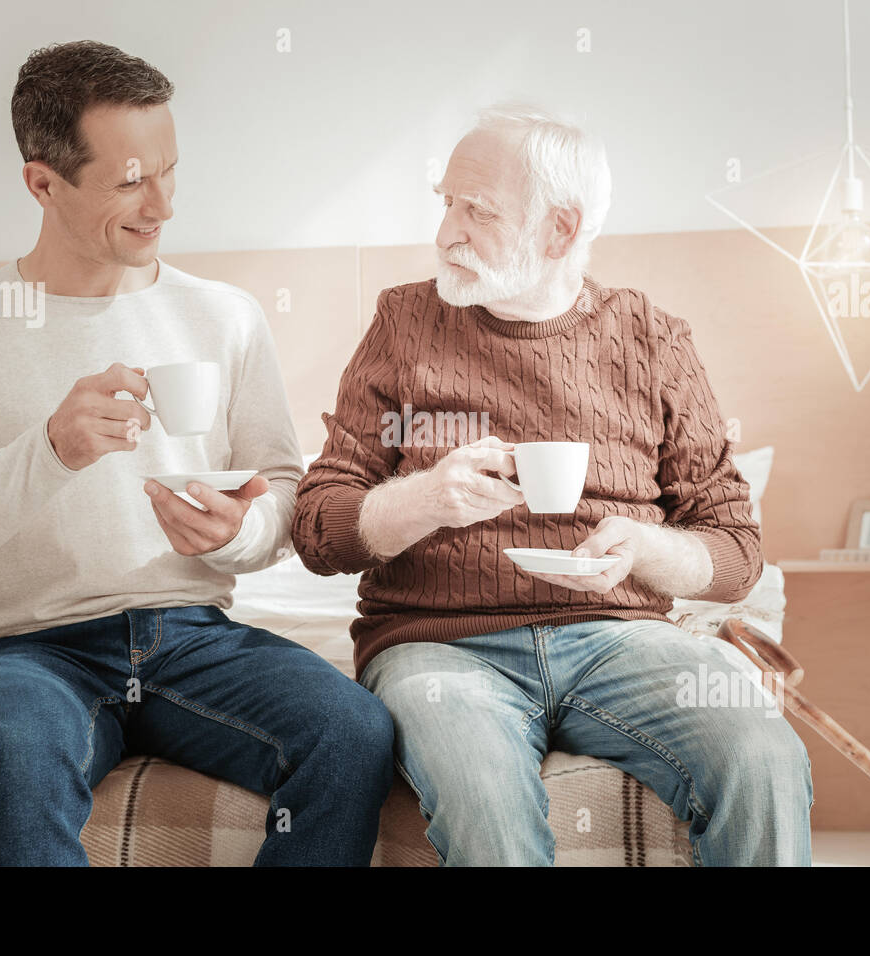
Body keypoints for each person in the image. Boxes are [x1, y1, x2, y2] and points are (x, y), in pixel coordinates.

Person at [0, 40, 392, 866]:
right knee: (16, 757)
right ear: (44, 182)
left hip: (196, 636)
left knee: (356, 731)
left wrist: (237, 536)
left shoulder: (226, 317)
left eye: (170, 170)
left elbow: (283, 493)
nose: (164, 206)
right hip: (29, 648)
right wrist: (47, 452)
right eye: (131, 182)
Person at [293, 104, 813, 866]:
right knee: (484, 803)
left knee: (765, 754)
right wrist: (426, 498)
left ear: (560, 230)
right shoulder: (404, 322)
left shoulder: (652, 338)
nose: (445, 235)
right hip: (441, 648)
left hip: (621, 637)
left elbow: (735, 554)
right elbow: (316, 526)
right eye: (445, 205)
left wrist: (642, 549)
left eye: (478, 211)